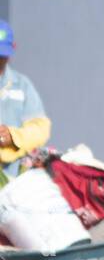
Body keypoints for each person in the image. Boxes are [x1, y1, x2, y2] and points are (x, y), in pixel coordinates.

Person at [0, 19, 52, 185]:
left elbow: (41, 129)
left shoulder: (21, 85)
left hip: (13, 182)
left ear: (12, 49)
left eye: (2, 55)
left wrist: (13, 137)